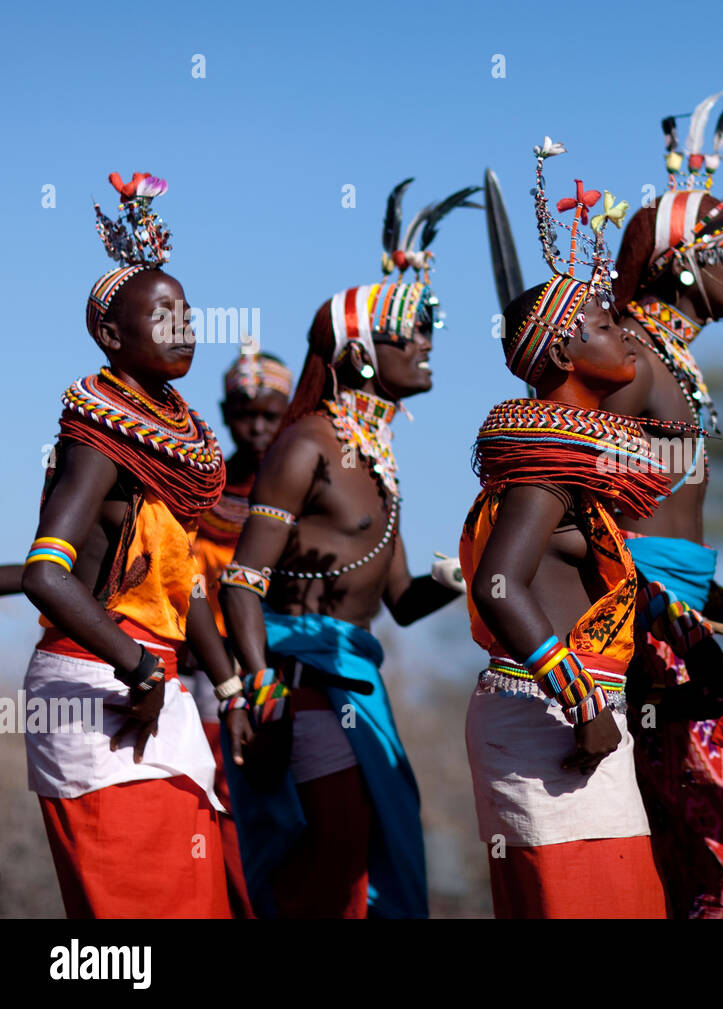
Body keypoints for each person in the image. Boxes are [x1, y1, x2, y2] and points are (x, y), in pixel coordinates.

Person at [218, 182, 474, 918]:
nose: (426, 346)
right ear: (361, 352)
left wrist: (455, 580)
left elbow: (397, 602)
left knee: (365, 867)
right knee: (330, 868)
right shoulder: (305, 445)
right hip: (305, 689)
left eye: (428, 330)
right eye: (410, 334)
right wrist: (261, 697)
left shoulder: (378, 458)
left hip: (359, 685)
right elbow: (240, 582)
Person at [21, 173, 241, 917]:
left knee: (196, 896)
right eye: (162, 315)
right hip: (100, 687)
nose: (183, 328)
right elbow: (47, 576)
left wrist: (229, 685)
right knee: (139, 914)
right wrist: (142, 670)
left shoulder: (167, 441)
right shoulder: (99, 440)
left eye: (186, 313)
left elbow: (186, 585)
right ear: (113, 336)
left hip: (154, 682)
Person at [462, 142, 671, 918]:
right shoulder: (543, 464)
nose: (622, 333)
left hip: (565, 717)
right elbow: (498, 583)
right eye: (603, 322)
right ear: (560, 349)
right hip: (551, 718)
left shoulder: (572, 457)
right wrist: (583, 703)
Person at [600, 91, 723, 919]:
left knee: (715, 853)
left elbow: (674, 531)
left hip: (683, 618)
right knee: (718, 858)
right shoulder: (631, 361)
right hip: (642, 633)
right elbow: (591, 509)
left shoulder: (671, 365)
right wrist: (657, 624)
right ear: (681, 265)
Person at [183, 351, 294, 917]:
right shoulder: (204, 497)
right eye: (245, 414)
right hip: (216, 678)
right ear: (226, 414)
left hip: (294, 670)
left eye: (271, 415)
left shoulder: (299, 491)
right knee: (230, 801)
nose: (257, 426)